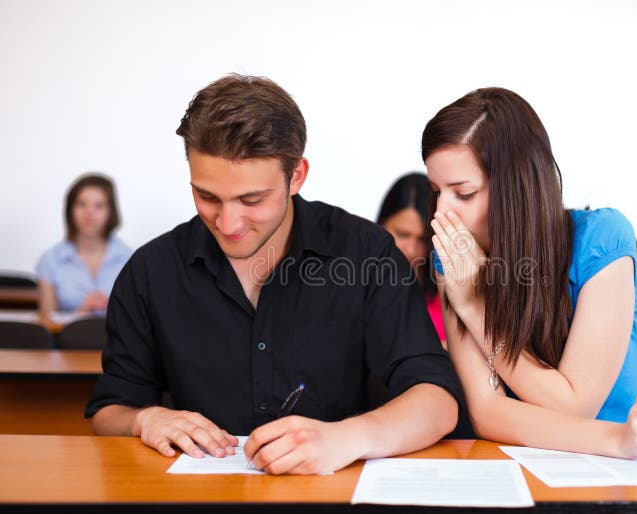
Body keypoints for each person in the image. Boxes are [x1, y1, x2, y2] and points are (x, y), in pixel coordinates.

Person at [85, 74, 461, 475]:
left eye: (252, 199)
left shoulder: (366, 253)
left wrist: (347, 438)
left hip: (333, 493)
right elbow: (109, 410)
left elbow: (437, 399)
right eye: (207, 196)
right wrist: (146, 419)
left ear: (296, 176)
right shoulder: (150, 271)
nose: (228, 223)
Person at [423, 87, 637, 459]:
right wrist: (612, 439)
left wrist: (475, 308)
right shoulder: (451, 258)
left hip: (613, 469)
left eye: (463, 193)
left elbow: (574, 406)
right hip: (520, 463)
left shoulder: (602, 237)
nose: (440, 213)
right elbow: (487, 413)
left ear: (516, 188)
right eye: (436, 190)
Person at [35, 174, 131, 319]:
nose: (89, 213)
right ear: (70, 210)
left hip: (115, 341)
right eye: (81, 204)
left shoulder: (130, 259)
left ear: (111, 212)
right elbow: (47, 324)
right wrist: (83, 309)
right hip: (68, 341)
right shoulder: (50, 260)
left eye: (99, 206)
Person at [377, 172, 445, 344]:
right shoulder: (356, 280)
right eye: (402, 234)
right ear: (381, 224)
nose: (412, 249)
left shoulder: (448, 290)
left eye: (422, 239)